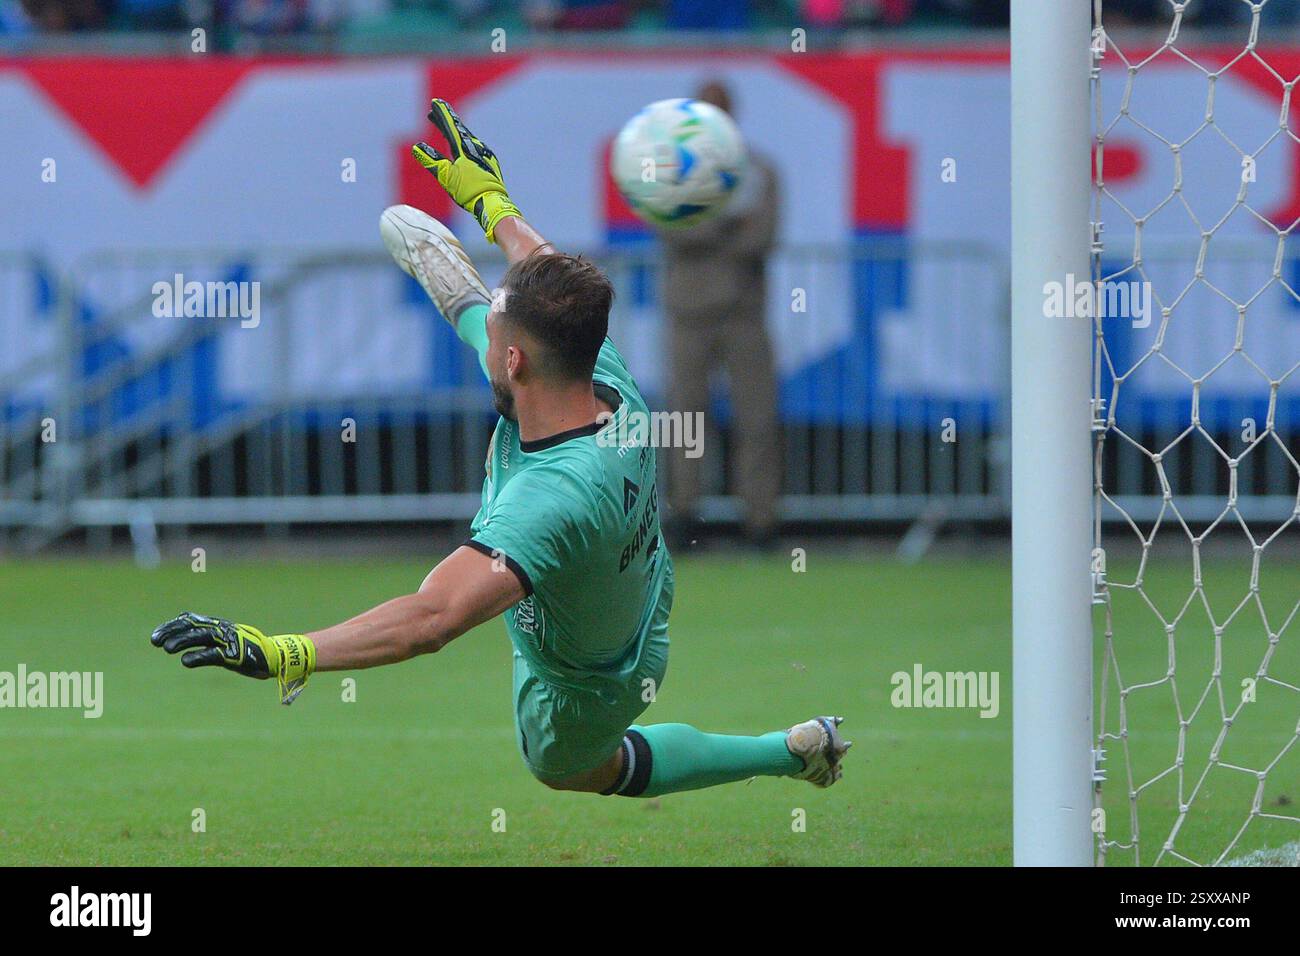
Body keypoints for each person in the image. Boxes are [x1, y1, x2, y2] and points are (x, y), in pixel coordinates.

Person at [148, 99, 850, 798]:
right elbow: (548, 278)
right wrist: (492, 205)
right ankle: (792, 746)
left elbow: (430, 620)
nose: (482, 328)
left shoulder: (552, 500)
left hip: (585, 680)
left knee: (574, 770)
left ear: (513, 360)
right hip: (634, 596)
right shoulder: (599, 370)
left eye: (492, 330)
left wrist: (284, 652)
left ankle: (784, 755)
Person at [657, 81, 781, 551]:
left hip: (745, 312)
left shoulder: (760, 169)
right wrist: (729, 221)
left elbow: (763, 236)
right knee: (686, 418)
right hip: (689, 314)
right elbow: (671, 228)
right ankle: (685, 513)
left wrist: (702, 223)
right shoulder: (673, 172)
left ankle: (761, 519)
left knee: (758, 416)